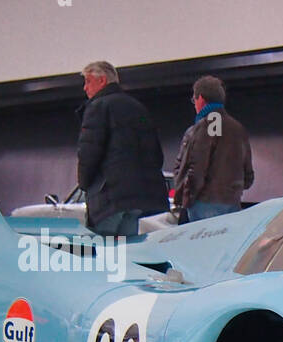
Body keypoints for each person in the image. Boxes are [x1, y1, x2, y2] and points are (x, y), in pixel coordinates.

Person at [76, 62, 168, 237]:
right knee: (127, 253)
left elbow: (88, 153)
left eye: (88, 81)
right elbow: (156, 154)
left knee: (105, 255)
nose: (85, 88)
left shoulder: (97, 107)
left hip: (110, 198)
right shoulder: (138, 107)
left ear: (102, 81)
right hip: (139, 198)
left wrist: (85, 184)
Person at [172, 76, 253, 222]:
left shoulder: (204, 127)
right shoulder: (238, 128)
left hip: (204, 203)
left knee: (201, 245)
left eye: (194, 100)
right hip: (232, 202)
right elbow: (248, 175)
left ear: (201, 99)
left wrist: (188, 197)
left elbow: (197, 167)